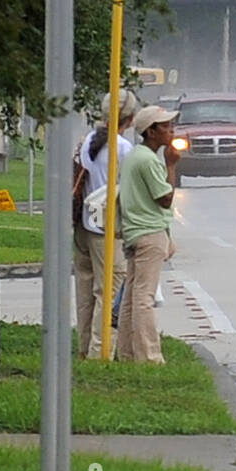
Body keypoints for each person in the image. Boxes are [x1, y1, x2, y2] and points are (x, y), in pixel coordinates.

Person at [72, 90, 138, 359]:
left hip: (83, 225)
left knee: (85, 290)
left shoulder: (87, 141)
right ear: (130, 119)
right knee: (108, 290)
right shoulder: (123, 149)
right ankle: (101, 351)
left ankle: (84, 345)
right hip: (107, 229)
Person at [116, 104, 180, 364]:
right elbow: (165, 198)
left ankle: (128, 352)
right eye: (164, 126)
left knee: (132, 296)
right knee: (144, 297)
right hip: (149, 232)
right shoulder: (148, 160)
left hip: (135, 231)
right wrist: (171, 165)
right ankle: (150, 356)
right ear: (151, 132)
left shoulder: (134, 156)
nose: (170, 130)